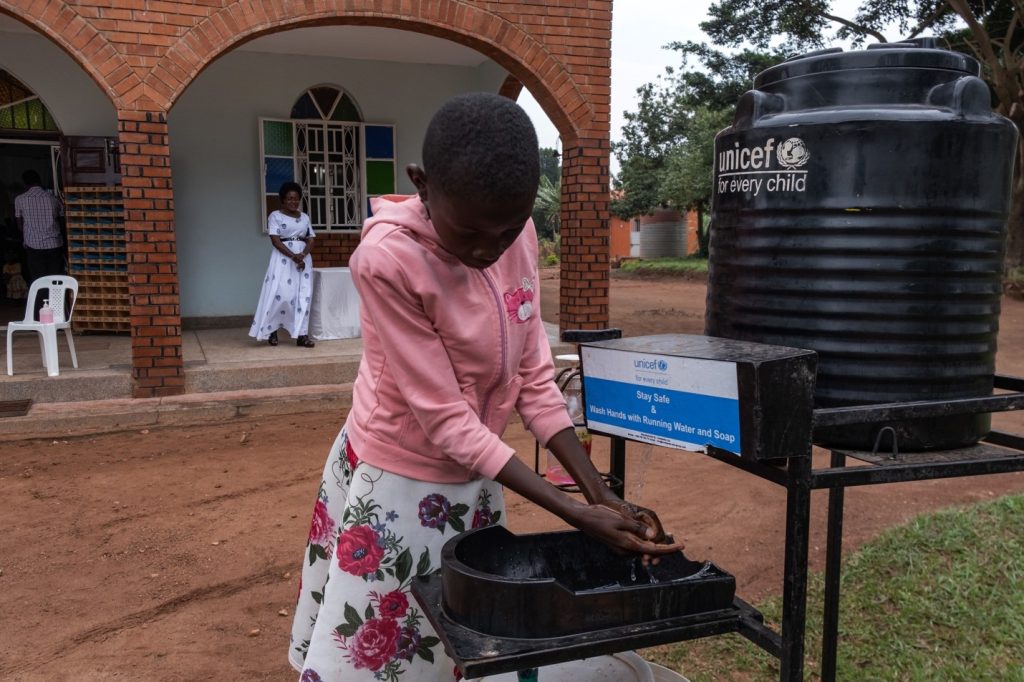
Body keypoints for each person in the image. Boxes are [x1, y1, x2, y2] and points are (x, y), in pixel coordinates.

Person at [289, 92, 682, 682]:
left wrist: (600, 494)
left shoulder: (513, 234)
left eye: (507, 231)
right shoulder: (387, 261)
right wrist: (575, 514)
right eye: (471, 232)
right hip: (398, 478)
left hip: (479, 471)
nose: (489, 250)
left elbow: (535, 380)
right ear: (422, 184)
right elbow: (445, 420)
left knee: (465, 640)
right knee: (389, 650)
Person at [249, 181, 316, 347]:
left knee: (303, 296)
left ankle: (302, 335)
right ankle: (271, 330)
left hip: (303, 260)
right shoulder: (275, 216)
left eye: (296, 198)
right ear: (283, 200)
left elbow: (311, 239)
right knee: (281, 294)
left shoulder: (304, 217)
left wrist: (302, 255)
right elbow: (275, 241)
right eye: (289, 198)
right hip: (283, 260)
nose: (293, 201)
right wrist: (294, 256)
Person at [14, 170, 65, 285]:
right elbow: (62, 222)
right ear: (40, 181)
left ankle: (41, 297)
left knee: (38, 280)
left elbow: (20, 225)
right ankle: (55, 297)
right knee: (55, 279)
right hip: (54, 244)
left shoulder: (20, 199)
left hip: (34, 246)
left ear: (25, 184)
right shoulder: (54, 199)